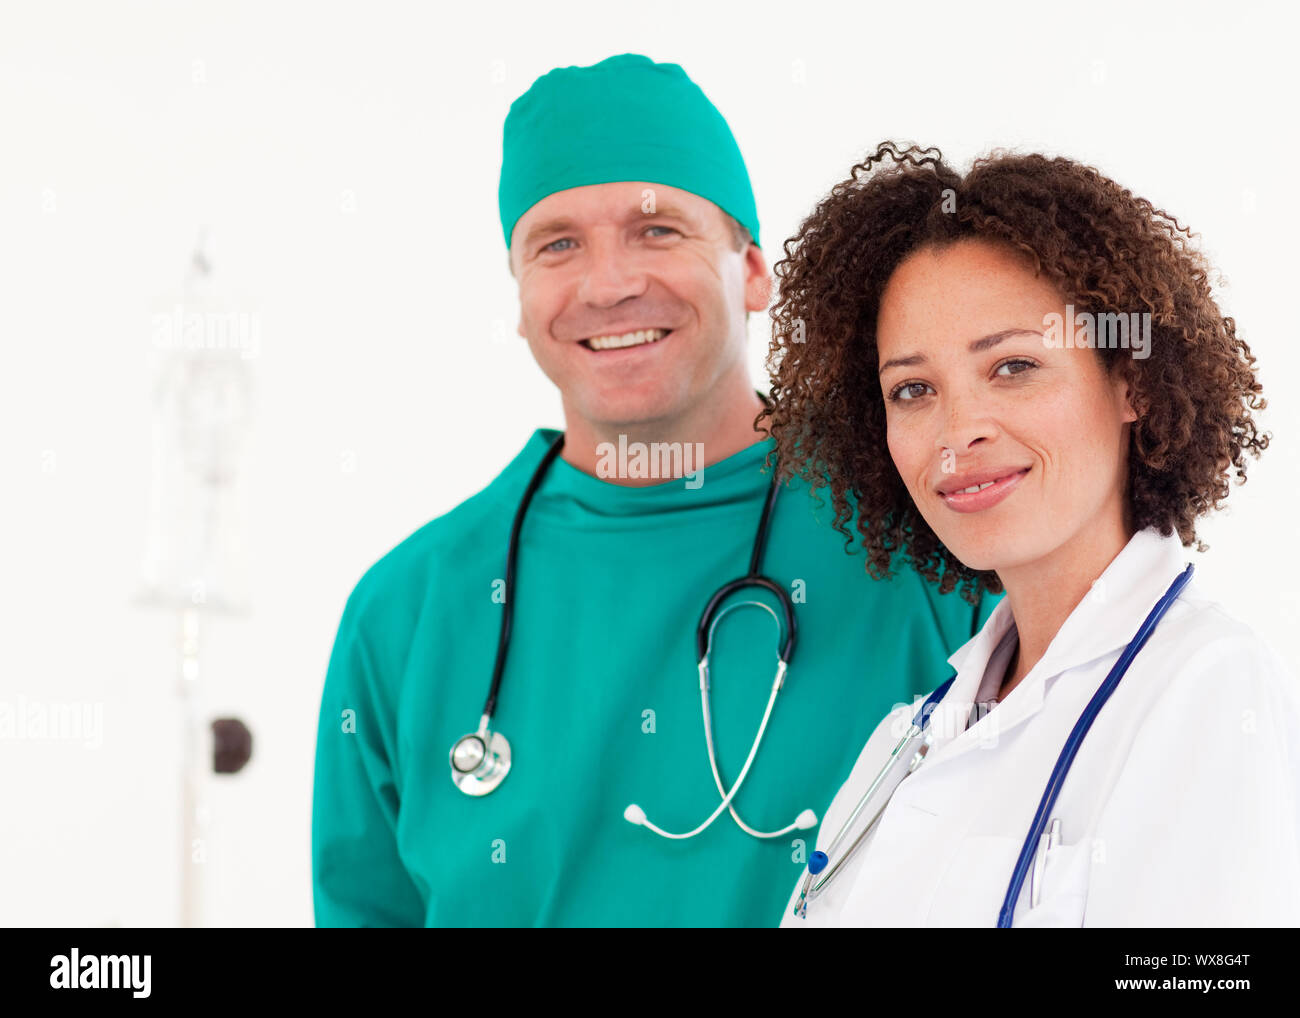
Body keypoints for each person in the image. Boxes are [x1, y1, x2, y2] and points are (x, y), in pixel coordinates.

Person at [311, 63, 992, 927]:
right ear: (519, 298)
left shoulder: (926, 545)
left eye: (657, 230)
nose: (608, 285)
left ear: (750, 269)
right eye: (557, 244)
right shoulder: (407, 611)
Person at [762, 142, 1300, 927]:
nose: (958, 433)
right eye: (912, 390)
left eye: (1013, 367)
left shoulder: (1209, 689)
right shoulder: (903, 742)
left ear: (1132, 383)